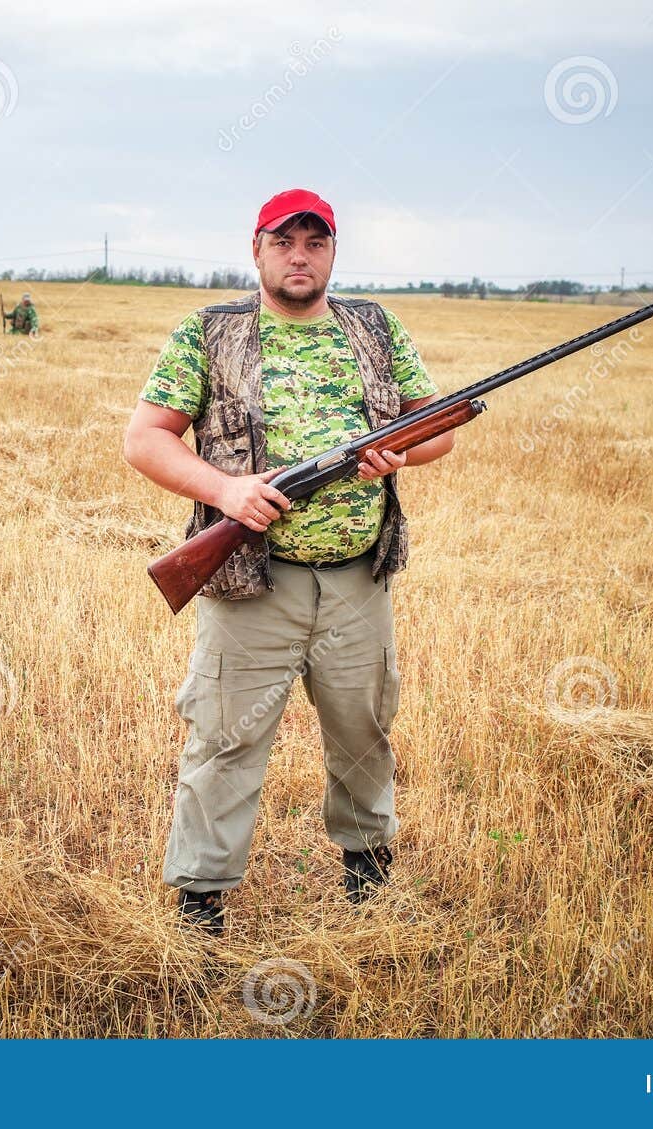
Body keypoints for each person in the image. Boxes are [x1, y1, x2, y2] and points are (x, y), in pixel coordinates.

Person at [122, 189, 456, 934]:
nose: (299, 255)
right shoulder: (211, 333)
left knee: (363, 731)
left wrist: (397, 448)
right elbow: (145, 438)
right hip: (249, 584)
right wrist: (228, 491)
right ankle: (200, 905)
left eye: (315, 241)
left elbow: (440, 432)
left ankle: (368, 883)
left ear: (334, 251)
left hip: (356, 578)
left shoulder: (374, 327)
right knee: (225, 736)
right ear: (257, 249)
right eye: (285, 241)